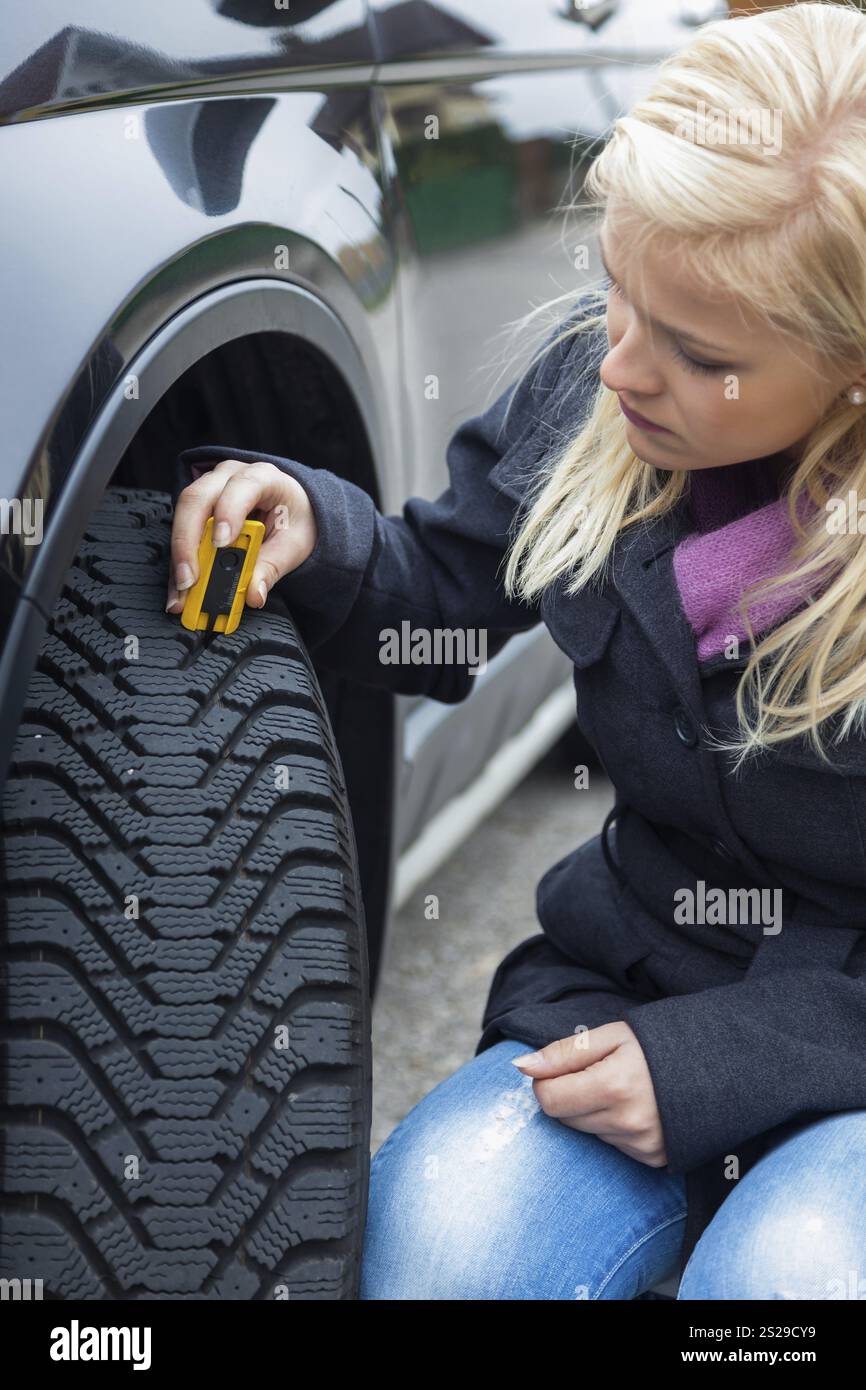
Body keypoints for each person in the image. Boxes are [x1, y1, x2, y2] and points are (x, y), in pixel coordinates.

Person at [167, 2, 866, 1299]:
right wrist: (314, 528)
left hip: (840, 1038)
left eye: (695, 350)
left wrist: (735, 1063)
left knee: (786, 1278)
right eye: (616, 291)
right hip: (624, 985)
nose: (617, 369)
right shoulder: (600, 391)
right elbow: (439, 589)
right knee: (442, 1255)